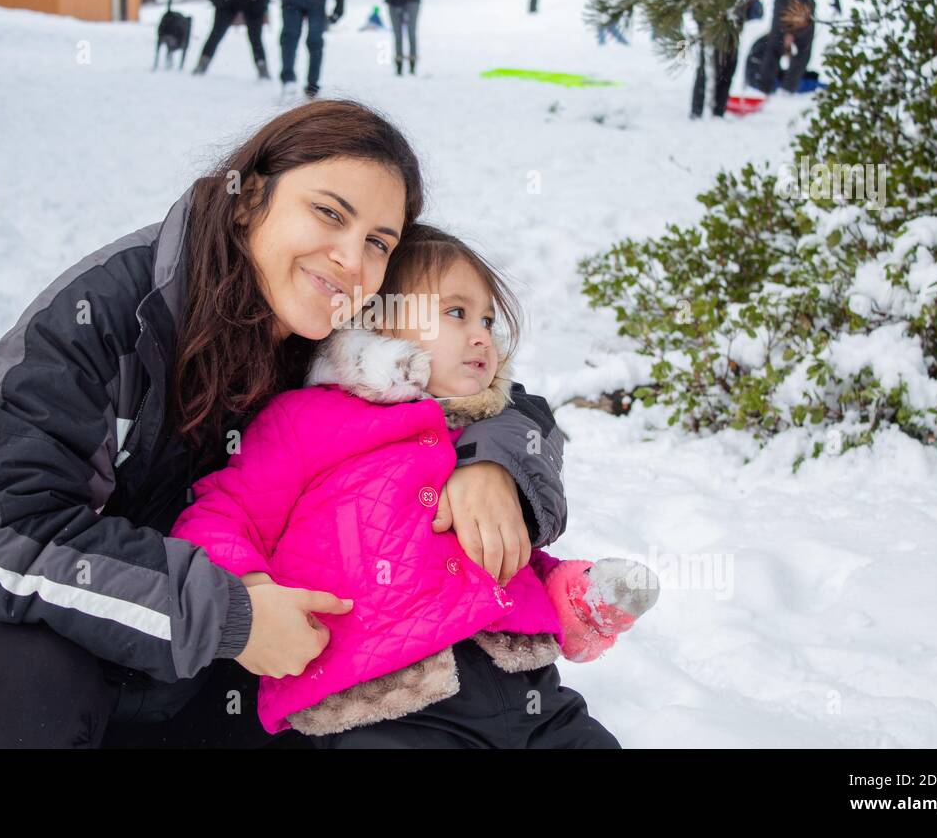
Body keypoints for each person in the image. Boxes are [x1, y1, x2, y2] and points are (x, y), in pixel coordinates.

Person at [0, 99, 574, 749]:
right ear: (249, 200)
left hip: (175, 677)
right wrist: (231, 616)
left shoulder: (326, 337)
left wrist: (491, 464)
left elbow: (490, 390)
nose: (350, 259)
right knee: (36, 673)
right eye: (327, 213)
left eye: (377, 243)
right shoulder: (112, 311)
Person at [173, 224, 660, 746]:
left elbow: (495, 544)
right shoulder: (305, 420)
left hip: (524, 689)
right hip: (381, 703)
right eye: (457, 313)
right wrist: (247, 595)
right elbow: (224, 513)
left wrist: (568, 591)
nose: (481, 335)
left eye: (487, 320)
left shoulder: (477, 439)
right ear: (378, 320)